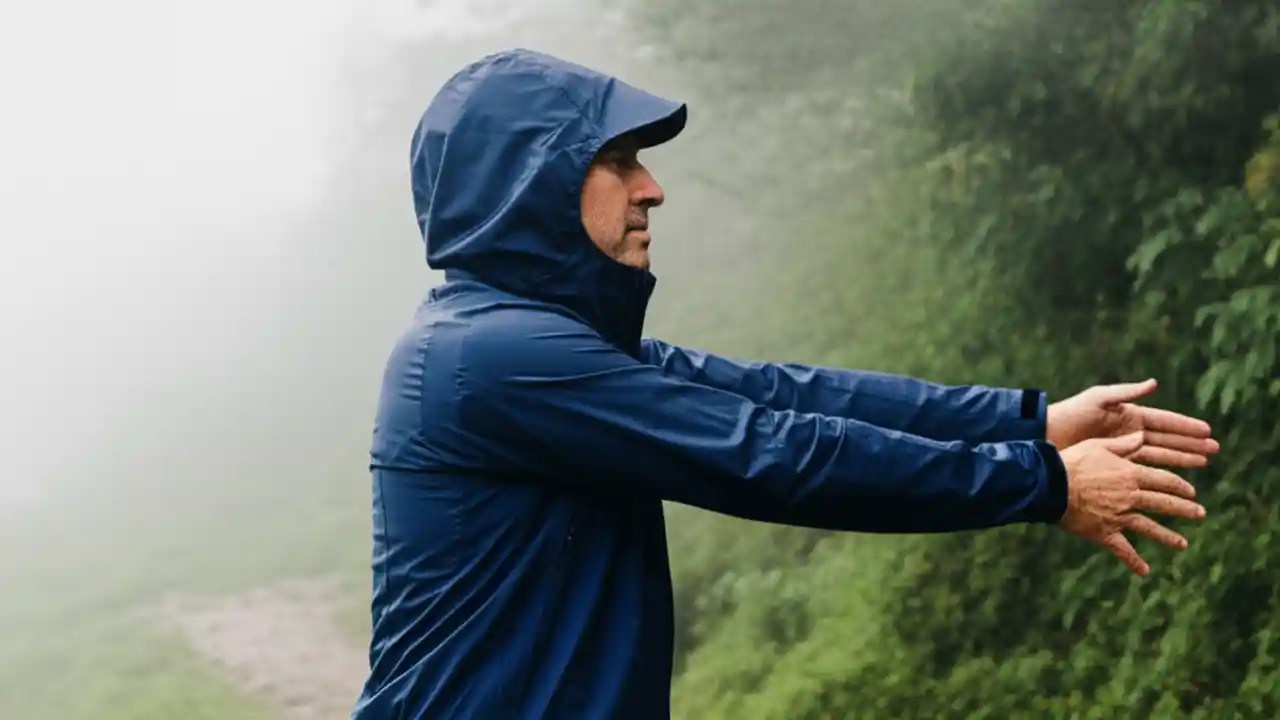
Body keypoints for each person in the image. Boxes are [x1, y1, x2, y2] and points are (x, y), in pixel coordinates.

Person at [351, 48, 1218, 719]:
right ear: (527, 180)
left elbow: (784, 396)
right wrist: (1042, 485)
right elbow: (772, 455)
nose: (652, 188)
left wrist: (1035, 423)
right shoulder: (494, 361)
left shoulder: (532, 348)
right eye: (616, 160)